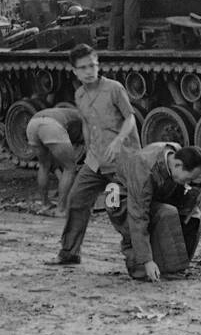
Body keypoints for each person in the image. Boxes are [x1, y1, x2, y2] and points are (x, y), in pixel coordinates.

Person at [46, 45, 142, 266]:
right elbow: (87, 124)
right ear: (75, 72)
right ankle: (69, 253)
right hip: (95, 162)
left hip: (120, 162)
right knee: (76, 200)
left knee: (115, 208)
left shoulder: (114, 88)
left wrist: (119, 141)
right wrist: (88, 150)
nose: (89, 71)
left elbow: (130, 118)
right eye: (83, 68)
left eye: (92, 65)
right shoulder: (79, 94)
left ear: (98, 65)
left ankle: (139, 255)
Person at [108, 143, 201, 281]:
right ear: (178, 165)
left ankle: (176, 266)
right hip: (122, 202)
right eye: (188, 178)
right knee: (167, 213)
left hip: (150, 196)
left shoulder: (175, 154)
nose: (188, 182)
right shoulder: (144, 168)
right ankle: (139, 264)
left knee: (194, 215)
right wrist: (147, 261)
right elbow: (138, 216)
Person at [26, 104, 84, 213]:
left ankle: (45, 204)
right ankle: (61, 208)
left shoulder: (67, 114)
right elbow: (88, 140)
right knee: (70, 168)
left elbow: (56, 158)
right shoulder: (82, 118)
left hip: (33, 124)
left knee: (44, 165)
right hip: (51, 125)